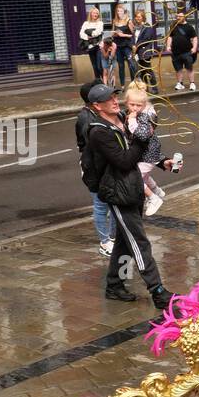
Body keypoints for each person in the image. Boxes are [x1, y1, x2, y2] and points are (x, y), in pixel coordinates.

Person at [82, 83, 174, 308]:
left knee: (124, 242)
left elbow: (141, 150)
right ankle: (158, 290)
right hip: (117, 192)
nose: (115, 100)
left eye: (115, 96)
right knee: (139, 242)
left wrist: (162, 162)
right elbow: (124, 160)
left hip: (132, 188)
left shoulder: (123, 117)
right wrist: (142, 140)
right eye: (108, 99)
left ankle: (114, 284)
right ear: (97, 106)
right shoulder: (98, 131)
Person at [76, 81, 115, 255]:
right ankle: (105, 242)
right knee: (101, 205)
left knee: (112, 203)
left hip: (102, 166)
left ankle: (113, 238)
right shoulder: (87, 119)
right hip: (93, 168)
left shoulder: (96, 114)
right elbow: (93, 147)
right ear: (94, 101)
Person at [124, 83, 167, 216]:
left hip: (148, 154)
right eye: (132, 105)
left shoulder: (144, 116)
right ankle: (157, 191)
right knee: (143, 175)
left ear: (144, 105)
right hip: (145, 154)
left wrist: (131, 121)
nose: (135, 108)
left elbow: (142, 135)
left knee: (135, 178)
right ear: (126, 103)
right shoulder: (133, 113)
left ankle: (153, 198)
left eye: (138, 105)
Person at [166, 7, 199, 91]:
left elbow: (195, 38)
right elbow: (170, 37)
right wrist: (168, 46)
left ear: (184, 17)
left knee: (189, 68)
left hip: (187, 52)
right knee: (178, 69)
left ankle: (192, 83)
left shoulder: (189, 27)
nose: (178, 18)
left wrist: (194, 47)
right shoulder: (173, 26)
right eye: (177, 16)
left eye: (180, 16)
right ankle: (180, 83)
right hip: (175, 52)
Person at [133, 10, 159, 92]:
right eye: (136, 17)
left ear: (143, 17)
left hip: (145, 52)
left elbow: (146, 39)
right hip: (137, 52)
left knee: (148, 70)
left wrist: (136, 46)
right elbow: (134, 38)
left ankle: (154, 88)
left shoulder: (147, 26)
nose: (137, 18)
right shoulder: (136, 27)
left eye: (139, 17)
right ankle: (145, 88)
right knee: (142, 71)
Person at [111, 3, 136, 87]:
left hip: (127, 46)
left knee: (131, 64)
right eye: (118, 11)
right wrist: (115, 34)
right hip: (118, 46)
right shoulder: (114, 21)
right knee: (121, 66)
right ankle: (122, 85)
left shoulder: (128, 20)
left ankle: (133, 83)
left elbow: (133, 34)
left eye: (121, 11)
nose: (119, 12)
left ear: (124, 11)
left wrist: (123, 35)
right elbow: (112, 34)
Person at [79, 6, 104, 80]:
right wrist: (87, 37)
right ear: (91, 14)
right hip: (90, 47)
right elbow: (81, 34)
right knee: (94, 66)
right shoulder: (86, 23)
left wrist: (88, 32)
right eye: (94, 13)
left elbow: (97, 33)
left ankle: (104, 82)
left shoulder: (100, 23)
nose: (95, 14)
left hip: (98, 46)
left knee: (99, 66)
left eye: (97, 13)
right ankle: (98, 82)